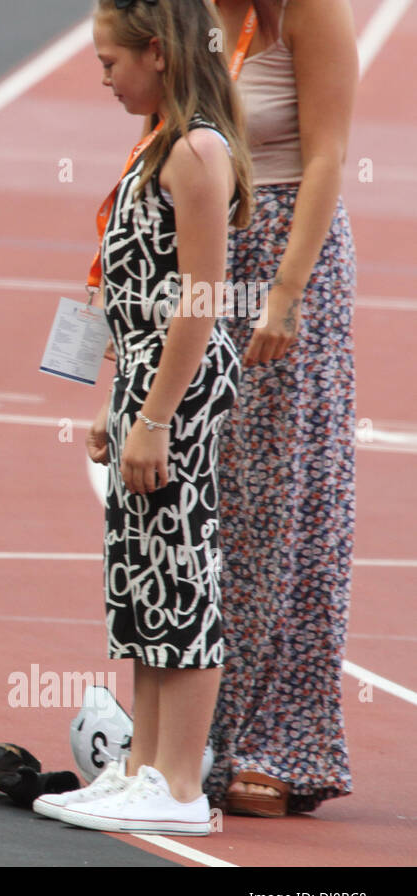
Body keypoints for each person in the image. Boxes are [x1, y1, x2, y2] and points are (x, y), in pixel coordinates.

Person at [42, 0, 253, 836]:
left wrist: (156, 417)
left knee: (182, 571)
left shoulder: (198, 151)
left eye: (111, 61)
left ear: (159, 53)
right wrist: (116, 402)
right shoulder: (161, 143)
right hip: (143, 379)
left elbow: (199, 300)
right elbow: (140, 298)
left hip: (180, 389)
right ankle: (142, 767)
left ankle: (178, 787)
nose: (103, 78)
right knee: (141, 581)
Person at [205, 0, 358, 816]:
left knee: (286, 501)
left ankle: (280, 742)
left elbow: (329, 157)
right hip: (208, 247)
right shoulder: (199, 16)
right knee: (208, 498)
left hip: (293, 259)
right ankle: (201, 727)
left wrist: (286, 294)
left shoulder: (311, 12)